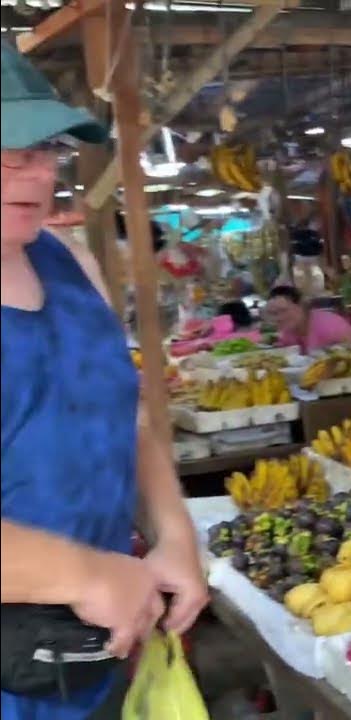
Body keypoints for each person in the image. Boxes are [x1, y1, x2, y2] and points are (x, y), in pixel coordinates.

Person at [1, 42, 206, 719]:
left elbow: (125, 418)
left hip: (90, 654)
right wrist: (84, 573)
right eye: (7, 151)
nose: (35, 172)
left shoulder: (71, 264)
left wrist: (173, 534)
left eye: (44, 149)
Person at [264, 284, 351, 353]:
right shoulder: (288, 331)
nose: (279, 318)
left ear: (301, 305)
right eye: (274, 313)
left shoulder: (328, 325)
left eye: (283, 310)